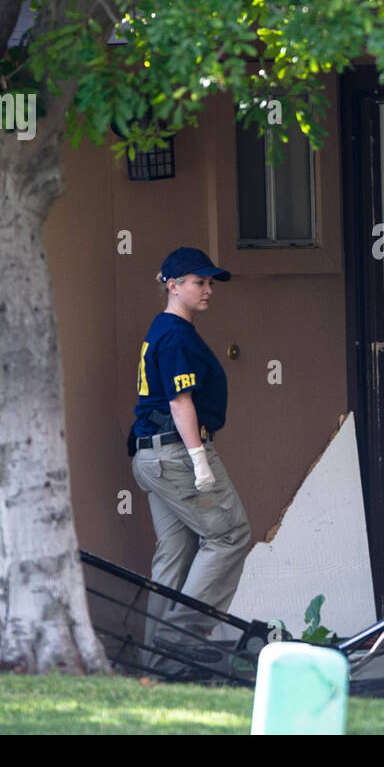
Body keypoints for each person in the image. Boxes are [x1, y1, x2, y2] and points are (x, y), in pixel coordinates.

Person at [129, 246, 252, 673]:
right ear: (173, 285)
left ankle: (155, 668)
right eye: (199, 282)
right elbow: (181, 403)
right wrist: (199, 460)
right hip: (177, 453)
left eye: (209, 282)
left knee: (175, 555)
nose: (208, 290)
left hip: (152, 457)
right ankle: (177, 645)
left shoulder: (161, 330)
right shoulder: (176, 334)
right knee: (230, 535)